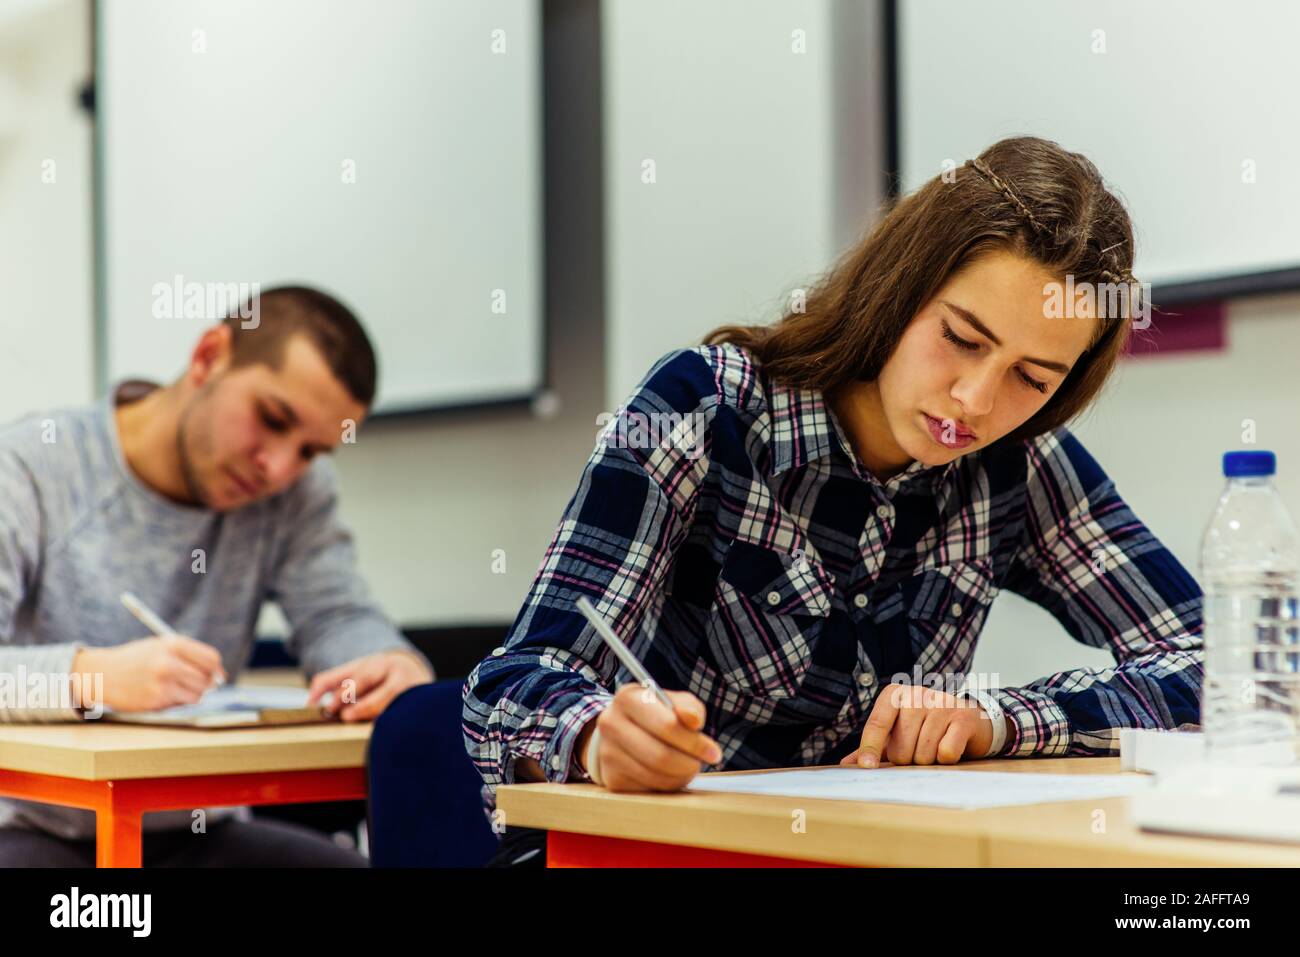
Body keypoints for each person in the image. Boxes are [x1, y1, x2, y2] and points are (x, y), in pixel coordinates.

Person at [463, 136, 1203, 866]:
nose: (975, 401)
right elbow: (509, 683)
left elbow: (1226, 670)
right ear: (900, 287)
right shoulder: (702, 408)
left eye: (1032, 379)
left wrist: (998, 719)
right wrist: (597, 735)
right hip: (646, 853)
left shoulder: (1022, 465)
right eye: (961, 338)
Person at [0, 285, 433, 866]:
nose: (278, 467)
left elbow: (336, 615)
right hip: (33, 825)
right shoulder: (31, 468)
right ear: (208, 356)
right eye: (273, 419)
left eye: (311, 451)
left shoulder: (294, 495)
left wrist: (390, 664)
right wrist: (91, 677)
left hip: (201, 825)